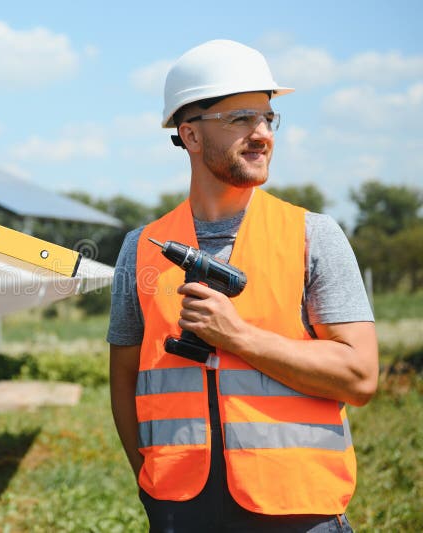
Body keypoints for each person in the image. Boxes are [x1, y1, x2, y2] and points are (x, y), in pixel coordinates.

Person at [107, 39, 378, 532]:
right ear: (190, 135)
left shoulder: (313, 236)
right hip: (179, 508)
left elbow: (360, 377)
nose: (262, 135)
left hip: (298, 509)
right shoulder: (141, 248)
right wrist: (151, 485)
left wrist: (239, 337)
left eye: (268, 119)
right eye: (240, 119)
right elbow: (124, 378)